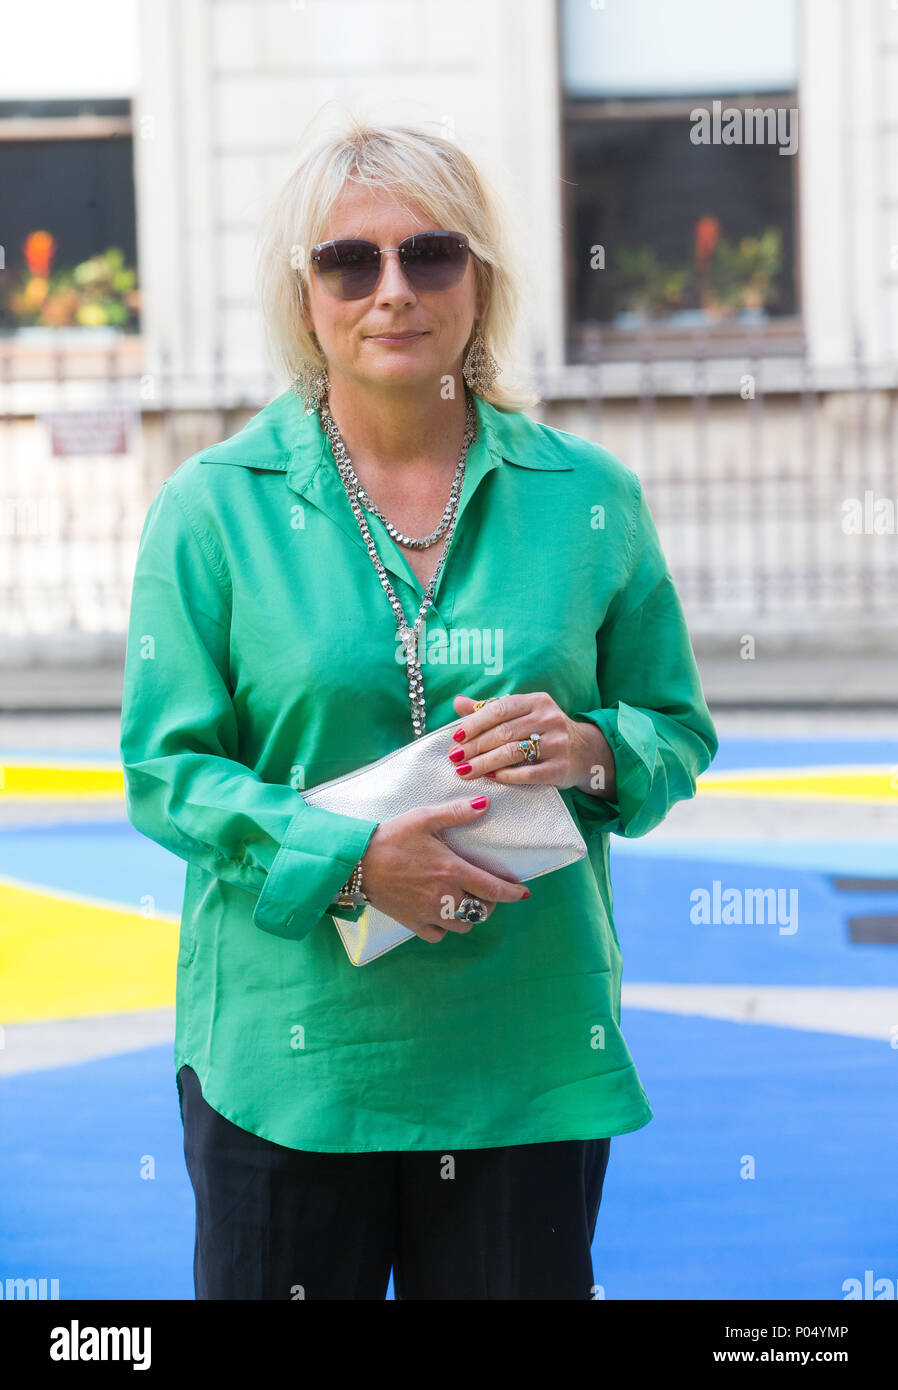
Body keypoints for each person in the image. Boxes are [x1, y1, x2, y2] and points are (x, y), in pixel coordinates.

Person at [119, 118, 718, 1301]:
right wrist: (349, 860)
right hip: (289, 1068)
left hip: (522, 1057)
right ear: (304, 298)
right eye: (350, 261)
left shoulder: (588, 498)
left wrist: (596, 750)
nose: (391, 290)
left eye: (429, 254)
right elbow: (167, 768)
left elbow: (675, 725)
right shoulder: (213, 509)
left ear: (479, 280)